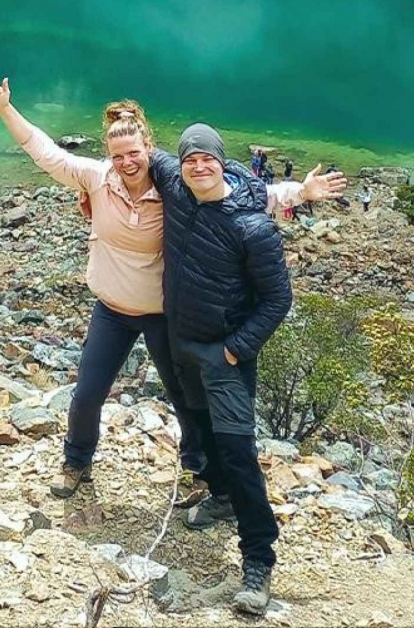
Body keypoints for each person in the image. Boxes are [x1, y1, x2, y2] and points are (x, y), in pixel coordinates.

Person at [0, 72, 344, 504]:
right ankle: (76, 462)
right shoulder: (96, 178)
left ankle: (197, 470)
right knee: (88, 392)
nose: (126, 162)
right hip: (112, 309)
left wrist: (302, 191)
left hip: (164, 314)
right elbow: (45, 153)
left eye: (134, 153)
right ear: (108, 154)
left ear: (149, 149)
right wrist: (5, 109)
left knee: (187, 399)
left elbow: (243, 196)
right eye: (117, 154)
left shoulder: (175, 187)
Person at [149, 123, 295, 616]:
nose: (198, 167)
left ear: (222, 161)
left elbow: (278, 299)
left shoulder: (253, 226)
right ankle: (220, 498)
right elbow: (135, 153)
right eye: (191, 160)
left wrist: (236, 349)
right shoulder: (175, 184)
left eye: (207, 159)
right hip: (182, 345)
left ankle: (258, 560)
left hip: (225, 355)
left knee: (237, 451)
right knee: (200, 430)